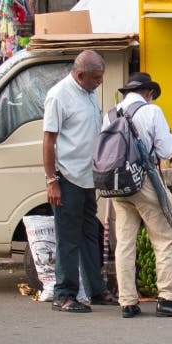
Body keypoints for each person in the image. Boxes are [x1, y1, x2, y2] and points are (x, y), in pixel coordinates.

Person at [106, 72, 172, 319]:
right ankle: (168, 297)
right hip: (143, 182)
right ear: (148, 93)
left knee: (125, 242)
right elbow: (165, 150)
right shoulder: (151, 111)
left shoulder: (110, 114)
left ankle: (127, 301)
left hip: (117, 185)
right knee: (166, 237)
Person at [43, 50, 118, 313]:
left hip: (88, 178)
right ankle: (63, 295)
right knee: (68, 238)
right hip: (67, 177)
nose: (100, 82)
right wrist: (52, 180)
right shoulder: (59, 96)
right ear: (80, 75)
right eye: (96, 78)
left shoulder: (88, 92)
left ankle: (96, 290)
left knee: (89, 235)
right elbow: (49, 141)